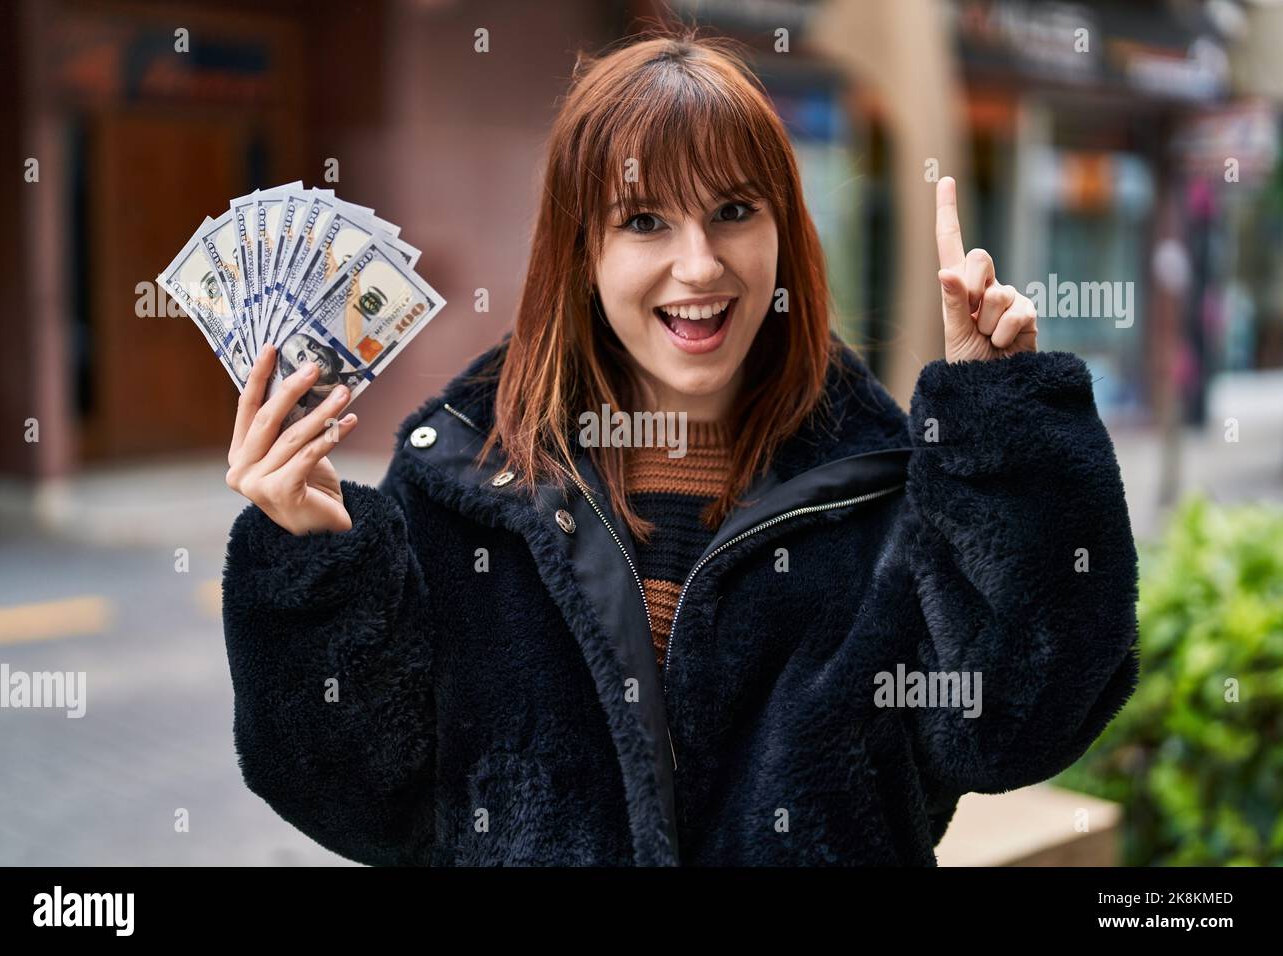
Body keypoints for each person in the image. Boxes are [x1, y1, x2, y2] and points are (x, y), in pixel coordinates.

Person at [220, 32, 1139, 867]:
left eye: (735, 210)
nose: (699, 265)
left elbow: (1020, 721)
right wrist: (312, 565)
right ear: (581, 251)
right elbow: (364, 801)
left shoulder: (882, 483)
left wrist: (1003, 429)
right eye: (645, 221)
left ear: (786, 231)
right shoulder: (464, 478)